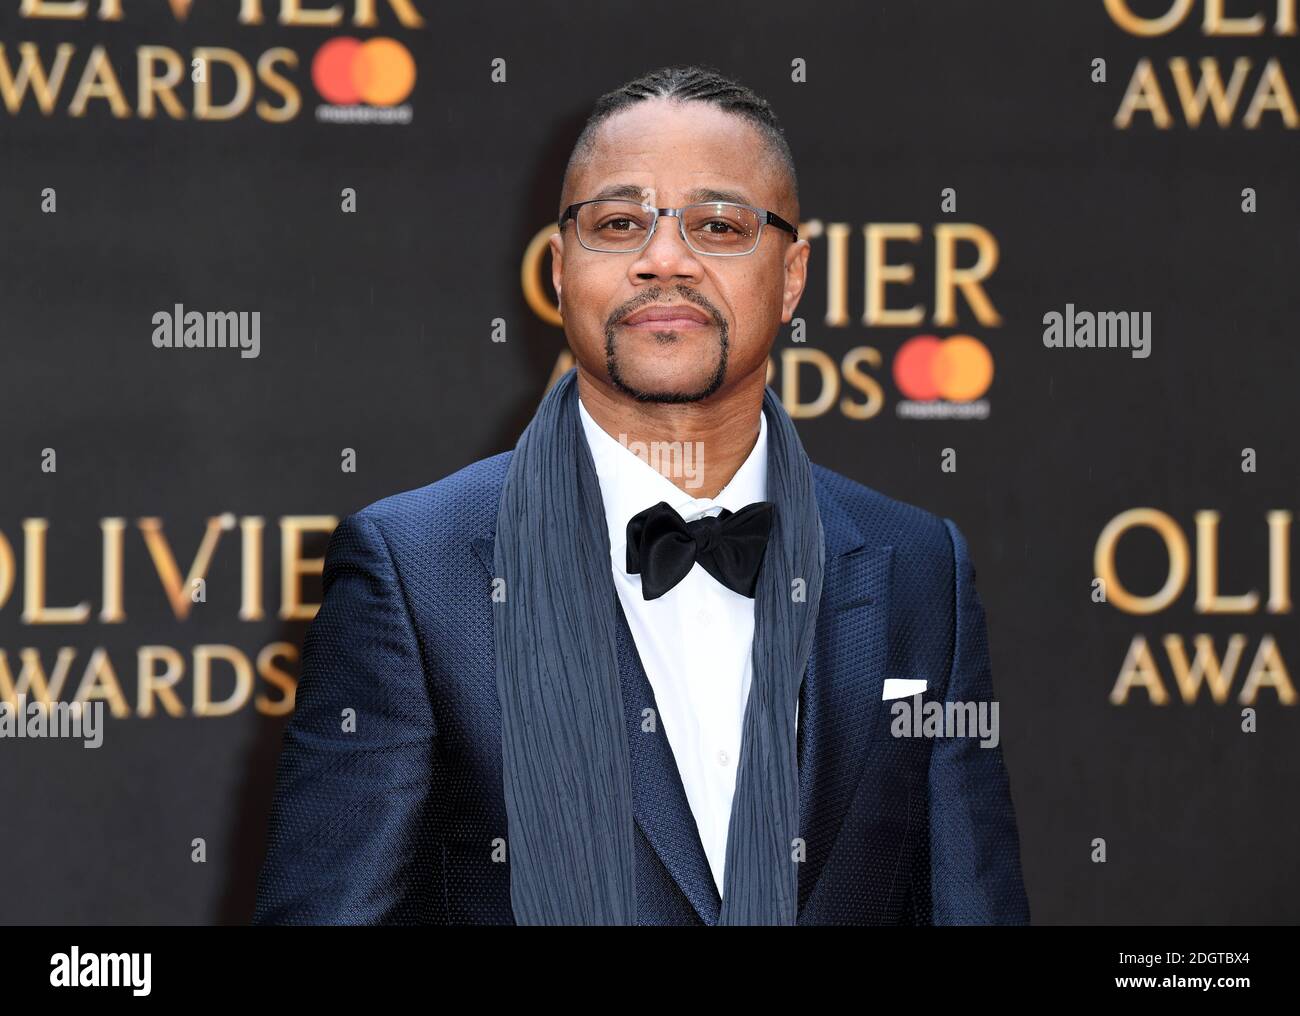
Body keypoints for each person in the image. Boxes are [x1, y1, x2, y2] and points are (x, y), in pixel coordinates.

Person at [253, 64, 1030, 926]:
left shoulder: (922, 570)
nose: (664, 258)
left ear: (794, 273)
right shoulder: (414, 570)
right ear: (558, 268)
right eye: (619, 224)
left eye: (719, 224)